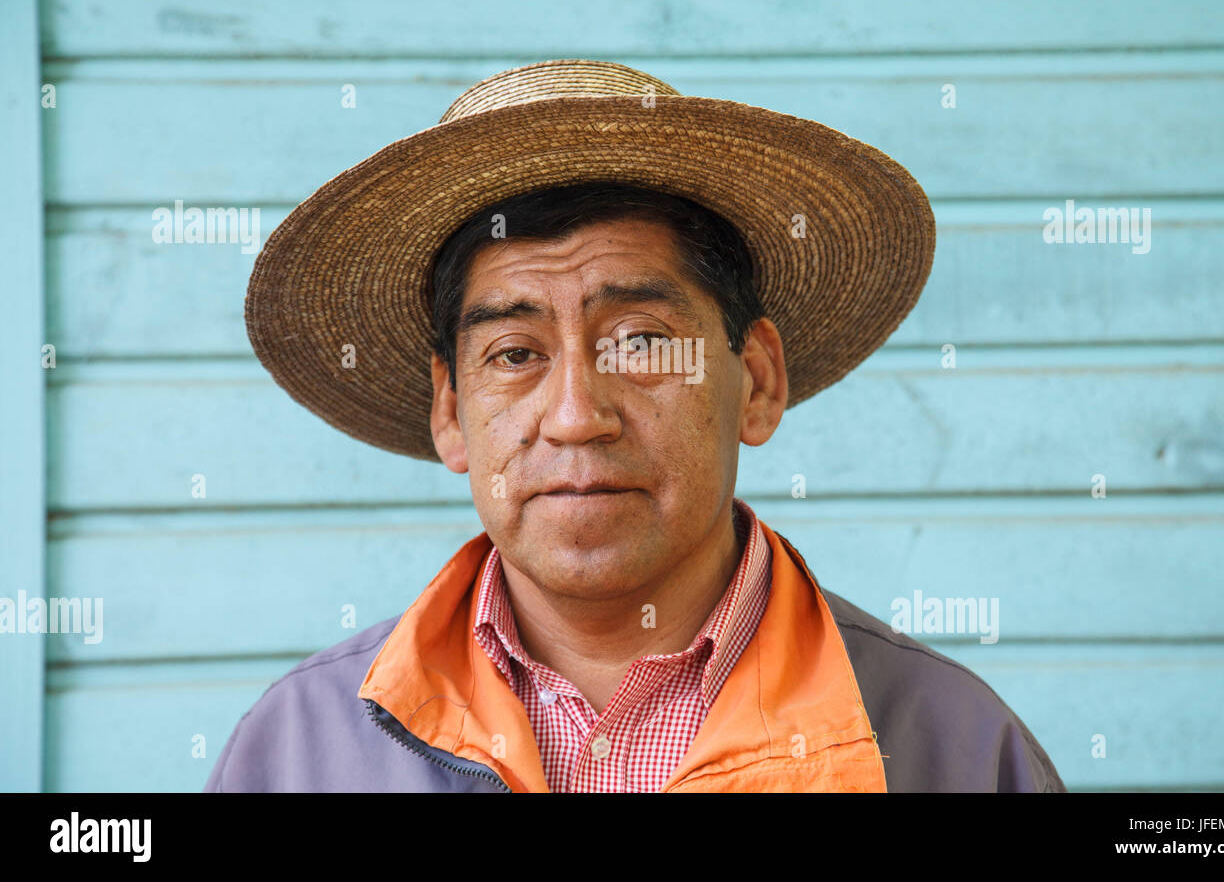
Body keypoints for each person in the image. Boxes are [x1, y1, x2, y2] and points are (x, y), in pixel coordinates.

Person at [208, 59, 1064, 792]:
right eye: (514, 353)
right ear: (450, 411)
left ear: (756, 381)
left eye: (642, 341)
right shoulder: (296, 756)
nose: (577, 418)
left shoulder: (950, 751)